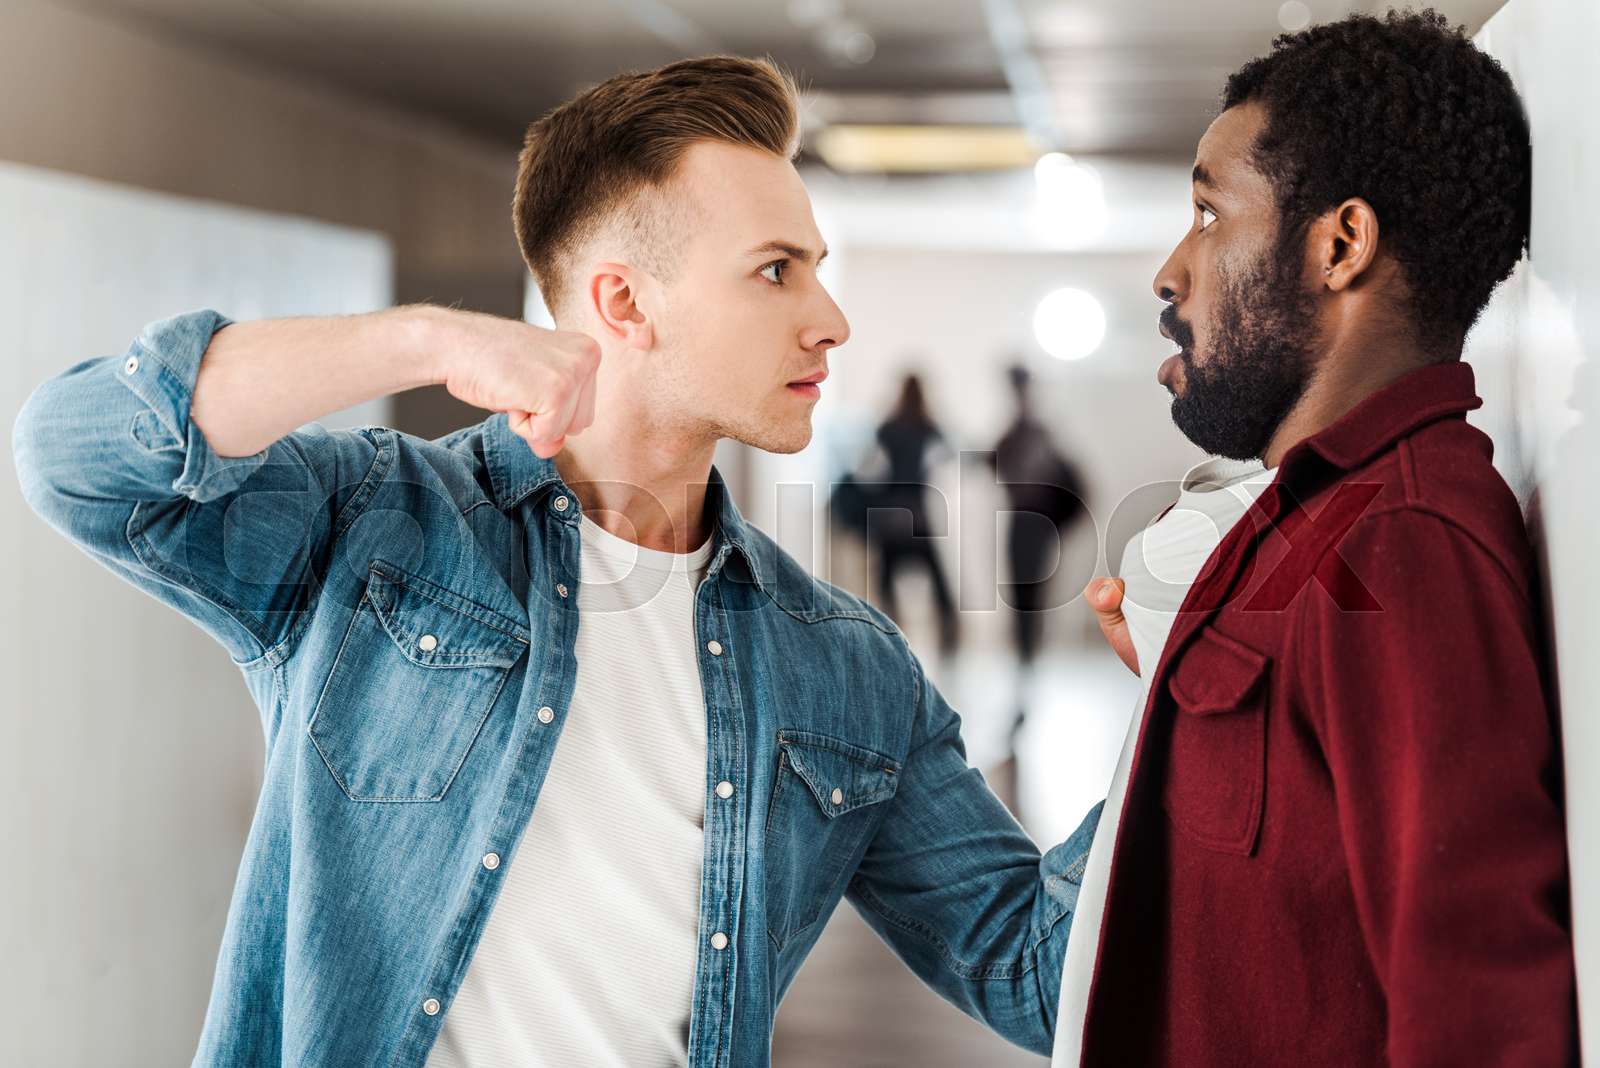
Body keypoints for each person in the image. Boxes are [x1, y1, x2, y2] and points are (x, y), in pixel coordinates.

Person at [12, 57, 1098, 1068]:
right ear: (623, 301)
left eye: (815, 268)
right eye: (775, 271)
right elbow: (78, 456)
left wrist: (1189, 700)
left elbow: (1037, 973)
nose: (830, 320)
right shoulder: (376, 523)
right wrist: (423, 341)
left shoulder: (845, 666)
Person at [1053, 11, 1575, 1066]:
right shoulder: (1319, 510)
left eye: (1207, 214)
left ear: (1338, 246)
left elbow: (1474, 1009)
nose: (1169, 270)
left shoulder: (1400, 541)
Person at [990, 363, 1086, 739]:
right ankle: (1025, 668)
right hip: (1029, 526)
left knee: (1028, 604)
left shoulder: (1030, 434)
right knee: (1026, 604)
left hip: (1032, 526)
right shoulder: (1026, 433)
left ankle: (1026, 669)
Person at [863, 372, 960, 655]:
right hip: (918, 517)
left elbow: (872, 470)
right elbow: (950, 453)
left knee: (885, 587)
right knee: (941, 591)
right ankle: (949, 646)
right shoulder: (929, 426)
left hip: (891, 514)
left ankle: (888, 643)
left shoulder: (887, 427)